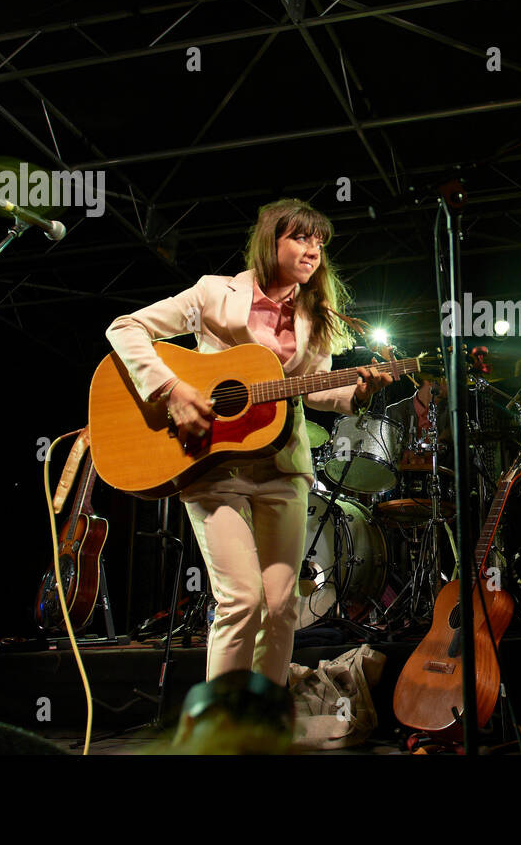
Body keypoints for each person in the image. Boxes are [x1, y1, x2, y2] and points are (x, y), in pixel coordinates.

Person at [106, 199, 394, 685]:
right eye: (301, 237)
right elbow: (125, 327)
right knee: (241, 598)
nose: (314, 250)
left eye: (320, 242)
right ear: (270, 241)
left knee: (282, 605)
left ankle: (264, 723)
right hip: (214, 466)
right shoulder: (215, 293)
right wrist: (172, 388)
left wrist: (357, 394)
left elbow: (317, 386)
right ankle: (224, 726)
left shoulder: (314, 314)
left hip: (283, 468)